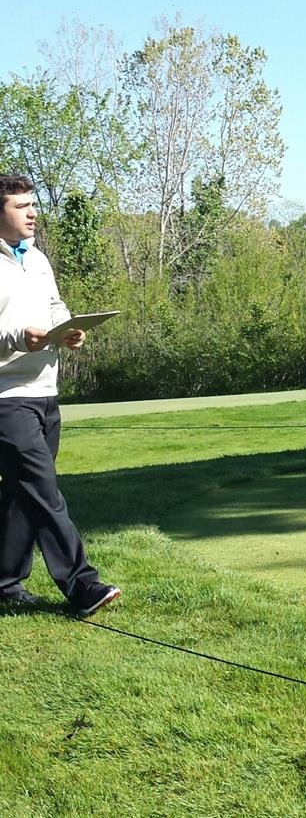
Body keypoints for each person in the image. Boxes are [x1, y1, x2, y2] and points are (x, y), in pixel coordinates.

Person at [0, 175, 121, 616]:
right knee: (42, 489)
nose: (32, 213)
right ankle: (82, 585)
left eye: (33, 205)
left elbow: (54, 307)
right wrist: (19, 337)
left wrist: (68, 328)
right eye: (21, 206)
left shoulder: (37, 258)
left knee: (21, 491)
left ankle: (5, 582)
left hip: (45, 390)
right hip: (5, 397)